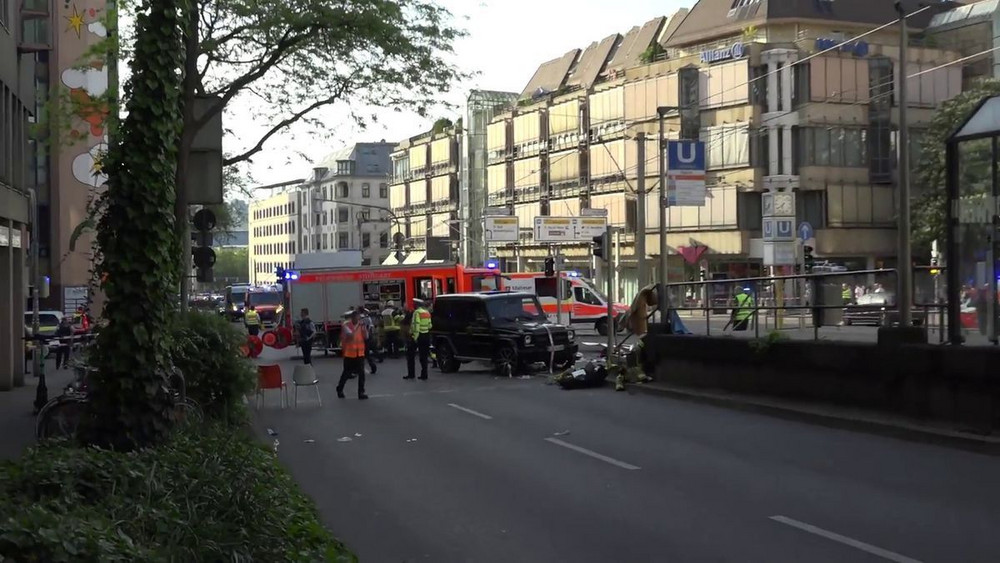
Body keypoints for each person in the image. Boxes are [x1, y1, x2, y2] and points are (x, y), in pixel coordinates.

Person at [336, 309, 368, 400]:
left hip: (359, 353)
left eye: (358, 317)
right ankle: (340, 388)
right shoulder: (346, 325)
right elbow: (350, 335)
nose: (357, 319)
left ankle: (361, 392)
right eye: (356, 317)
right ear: (352, 317)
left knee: (361, 373)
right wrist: (357, 328)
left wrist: (364, 329)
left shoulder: (361, 325)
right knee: (346, 373)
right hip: (349, 353)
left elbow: (366, 337)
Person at [405, 298, 432, 380]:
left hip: (418, 336)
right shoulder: (427, 312)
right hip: (426, 335)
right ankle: (424, 375)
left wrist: (415, 337)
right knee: (423, 356)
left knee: (410, 355)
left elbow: (416, 325)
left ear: (416, 305)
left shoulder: (417, 313)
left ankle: (411, 374)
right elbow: (430, 325)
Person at [360, 305, 378, 374]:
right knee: (367, 354)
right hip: (367, 337)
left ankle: (357, 369)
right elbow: (370, 327)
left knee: (360, 354)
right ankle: (373, 367)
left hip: (361, 338)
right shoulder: (367, 318)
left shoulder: (359, 319)